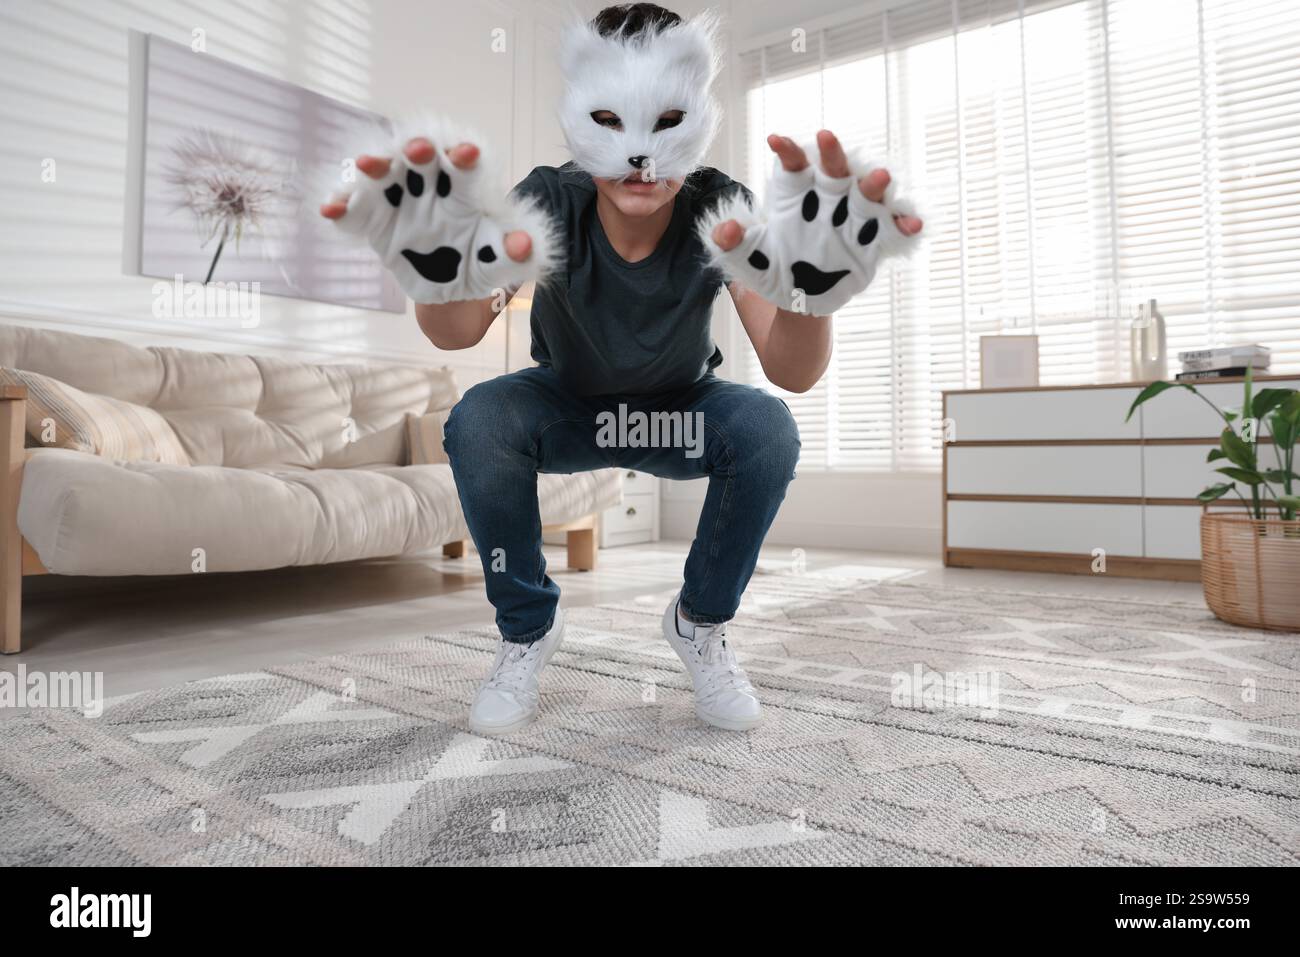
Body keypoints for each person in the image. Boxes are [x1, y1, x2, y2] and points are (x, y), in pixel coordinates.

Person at [320, 3, 923, 735]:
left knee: (767, 426)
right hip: (565, 405)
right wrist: (434, 273)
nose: (641, 157)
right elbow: (458, 330)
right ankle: (527, 628)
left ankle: (699, 622)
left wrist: (814, 291)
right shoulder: (547, 197)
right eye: (610, 120)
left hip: (680, 412)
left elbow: (790, 370)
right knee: (477, 417)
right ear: (580, 111)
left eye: (667, 122)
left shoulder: (719, 203)